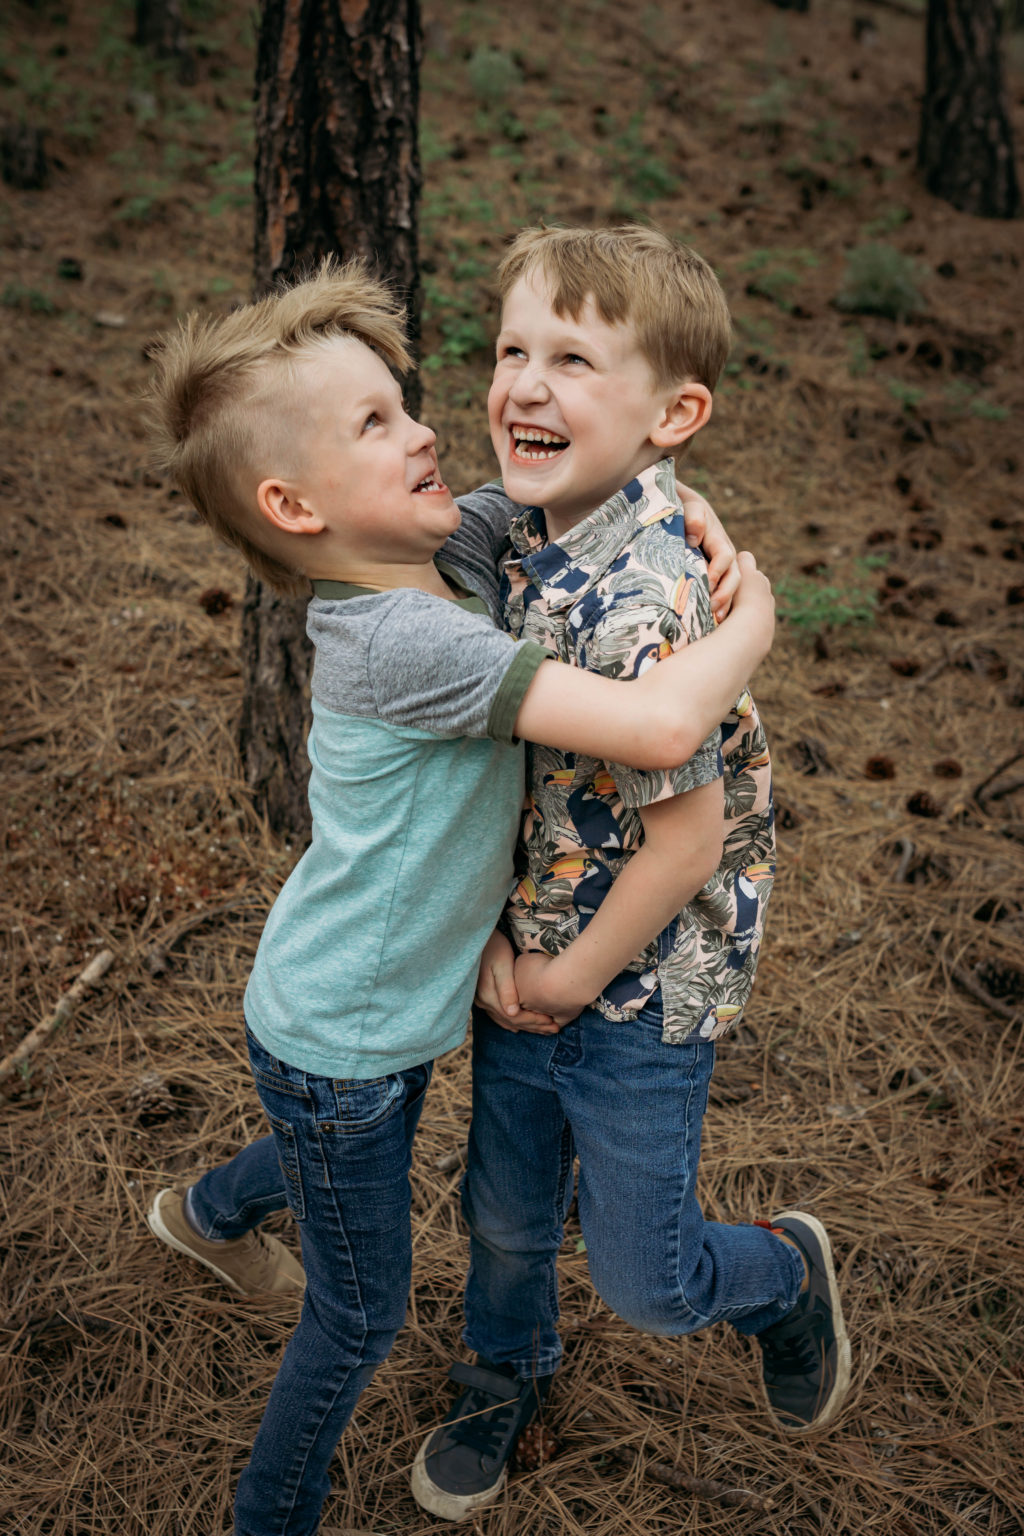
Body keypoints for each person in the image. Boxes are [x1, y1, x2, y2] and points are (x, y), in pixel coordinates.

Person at [143, 256, 774, 1536]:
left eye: (409, 399)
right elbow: (659, 727)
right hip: (347, 1035)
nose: (430, 426)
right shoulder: (400, 638)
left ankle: (206, 1212)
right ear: (294, 505)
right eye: (375, 425)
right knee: (361, 1307)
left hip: (381, 1008)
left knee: (337, 1157)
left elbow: (587, 486)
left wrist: (688, 517)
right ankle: (271, 1509)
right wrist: (751, 616)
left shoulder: (452, 550)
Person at [411, 225, 851, 1524]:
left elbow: (686, 840)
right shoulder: (519, 534)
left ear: (675, 412)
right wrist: (508, 952)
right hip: (528, 950)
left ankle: (780, 1275)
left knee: (649, 1277)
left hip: (639, 987)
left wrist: (562, 977)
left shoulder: (642, 605)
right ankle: (502, 1371)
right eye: (510, 351)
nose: (524, 386)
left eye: (573, 360)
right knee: (504, 1213)